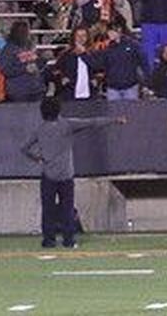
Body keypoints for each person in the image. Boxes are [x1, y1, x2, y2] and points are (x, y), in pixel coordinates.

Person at [21, 96, 126, 248]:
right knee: (67, 209)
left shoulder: (40, 129)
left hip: (48, 175)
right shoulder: (67, 125)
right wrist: (114, 120)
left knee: (48, 209)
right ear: (58, 110)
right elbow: (92, 122)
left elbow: (24, 148)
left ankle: (49, 240)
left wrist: (38, 158)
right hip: (66, 175)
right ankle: (68, 240)